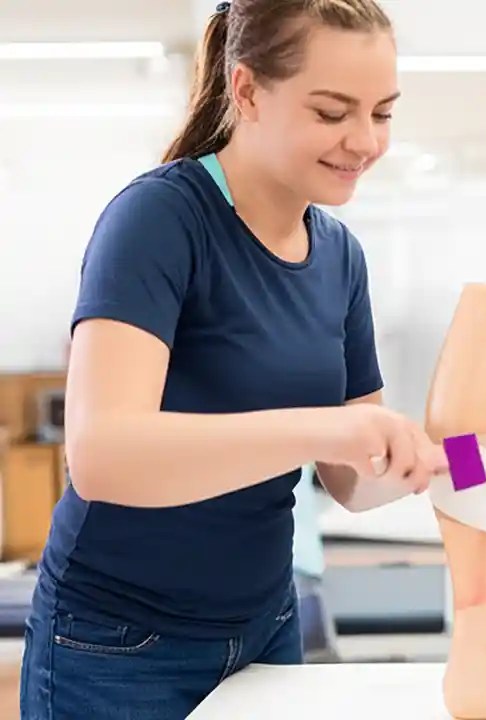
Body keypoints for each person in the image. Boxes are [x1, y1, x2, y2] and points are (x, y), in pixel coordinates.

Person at [20, 2, 449, 717]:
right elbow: (100, 455)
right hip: (116, 647)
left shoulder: (339, 257)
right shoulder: (159, 220)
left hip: (262, 632)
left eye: (382, 113)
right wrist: (321, 429)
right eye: (333, 111)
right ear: (246, 91)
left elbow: (351, 480)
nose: (365, 141)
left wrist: (452, 445)